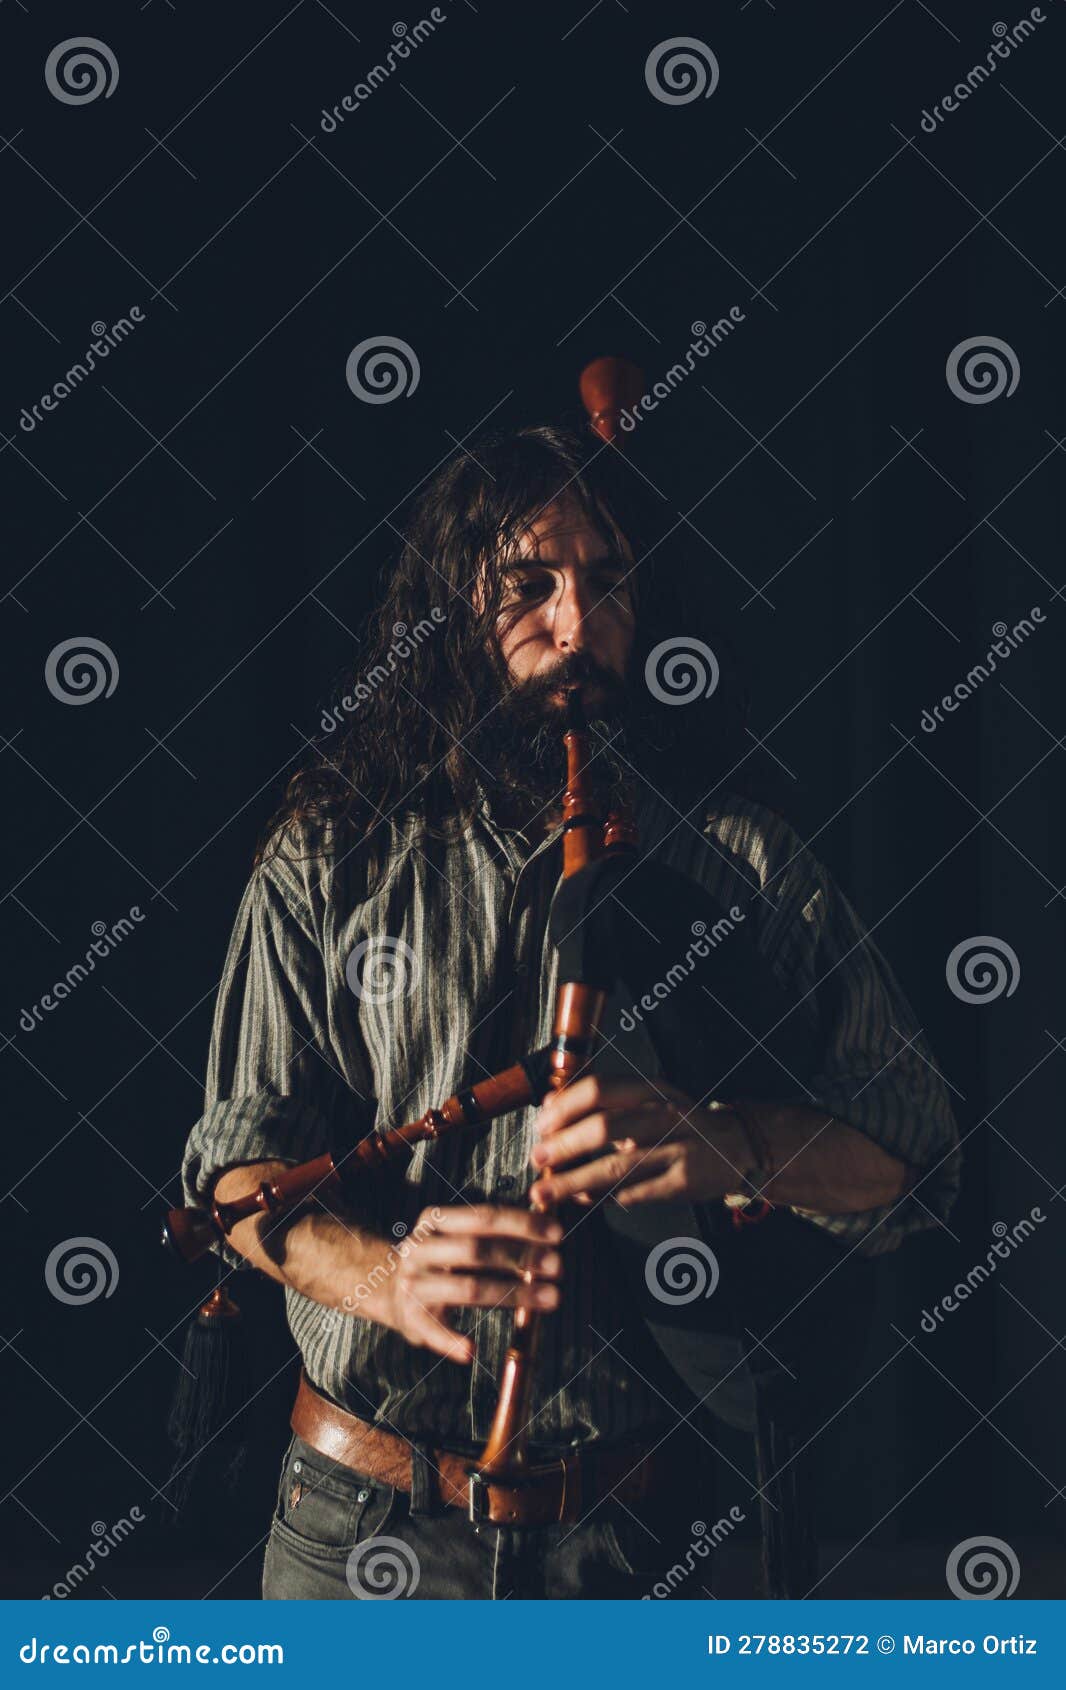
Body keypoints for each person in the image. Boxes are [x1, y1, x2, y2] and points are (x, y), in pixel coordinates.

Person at [179, 425, 961, 1600]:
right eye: (528, 586)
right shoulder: (327, 856)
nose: (573, 623)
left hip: (632, 1542)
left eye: (607, 584)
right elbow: (236, 1180)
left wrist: (733, 1142)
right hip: (361, 1534)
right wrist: (387, 1278)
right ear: (451, 610)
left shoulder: (739, 858)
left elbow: (911, 1155)